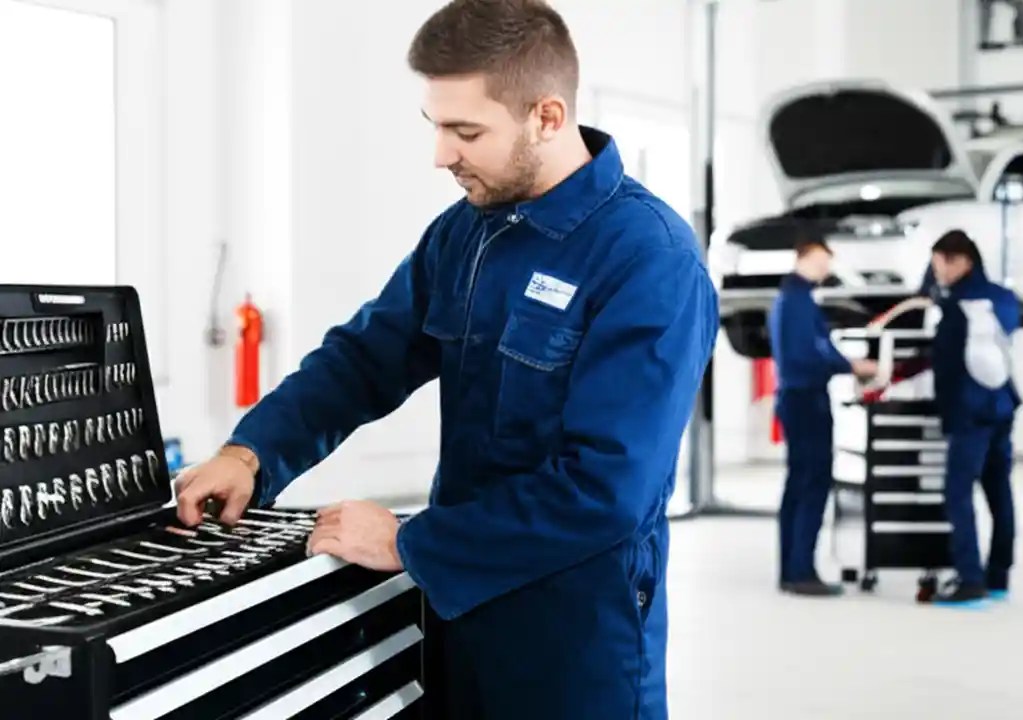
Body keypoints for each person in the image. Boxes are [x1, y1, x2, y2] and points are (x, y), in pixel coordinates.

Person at [172, 1, 718, 717]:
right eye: (435, 125)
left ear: (547, 118)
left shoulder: (649, 259)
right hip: (454, 611)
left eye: (467, 131)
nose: (441, 155)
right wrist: (249, 453)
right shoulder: (466, 234)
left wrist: (409, 540)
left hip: (574, 637)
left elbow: (607, 489)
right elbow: (365, 359)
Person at [909, 229, 1021, 606]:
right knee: (998, 492)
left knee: (957, 492)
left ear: (960, 261)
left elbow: (944, 364)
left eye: (939, 263)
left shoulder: (957, 305)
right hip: (1002, 405)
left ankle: (969, 579)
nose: (935, 271)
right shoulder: (1004, 299)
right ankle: (998, 577)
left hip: (971, 411)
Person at [767, 236, 872, 596]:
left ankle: (792, 569)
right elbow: (809, 355)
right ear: (806, 257)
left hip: (797, 399)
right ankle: (801, 572)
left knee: (798, 485)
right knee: (811, 484)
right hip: (806, 400)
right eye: (823, 261)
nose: (827, 269)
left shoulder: (793, 299)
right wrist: (852, 366)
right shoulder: (796, 302)